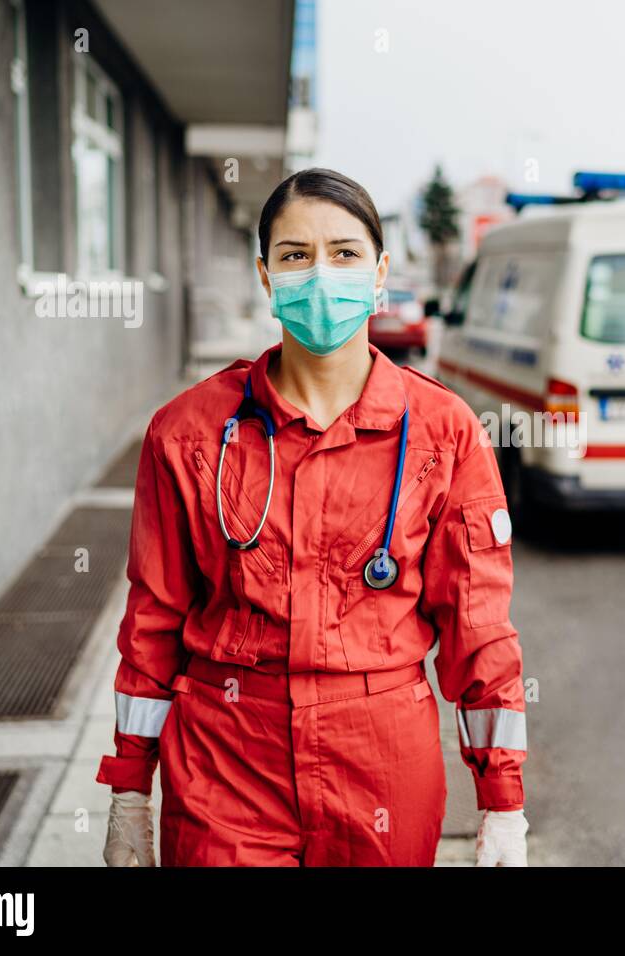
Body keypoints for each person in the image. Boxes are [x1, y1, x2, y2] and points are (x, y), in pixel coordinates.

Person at [95, 168, 527, 866]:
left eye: (345, 253)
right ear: (266, 277)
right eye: (295, 255)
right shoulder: (188, 432)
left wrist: (504, 801)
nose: (320, 275)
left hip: (383, 758)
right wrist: (128, 790)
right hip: (226, 761)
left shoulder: (445, 432)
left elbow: (478, 627)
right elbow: (153, 619)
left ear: (380, 272)